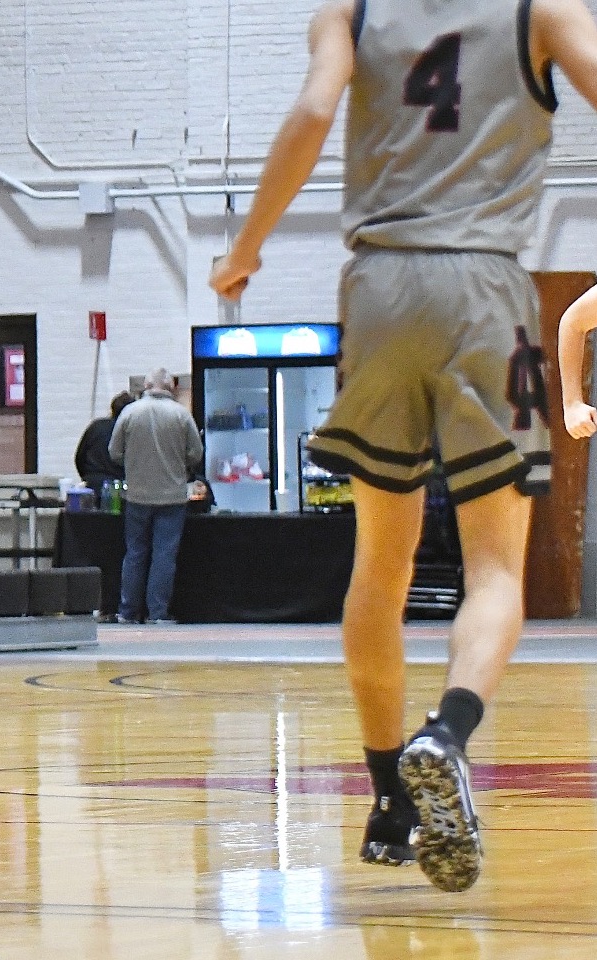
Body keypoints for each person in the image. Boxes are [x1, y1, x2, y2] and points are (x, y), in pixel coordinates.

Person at [209, 0, 597, 893]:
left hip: (378, 286)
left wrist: (245, 248)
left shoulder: (350, 10)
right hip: (485, 286)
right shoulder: (541, 8)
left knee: (378, 568)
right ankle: (447, 732)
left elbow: (313, 111)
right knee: (494, 569)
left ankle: (388, 793)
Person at [106, 368, 201, 626]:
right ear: (170, 388)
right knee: (164, 555)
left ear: (146, 386)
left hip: (137, 495)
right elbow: (196, 453)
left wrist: (133, 463)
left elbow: (114, 452)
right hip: (172, 497)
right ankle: (157, 612)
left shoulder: (129, 413)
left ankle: (128, 611)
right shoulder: (181, 414)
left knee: (135, 553)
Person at [75, 391, 133, 492]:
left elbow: (80, 456)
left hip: (92, 482)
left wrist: (86, 477)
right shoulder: (130, 431)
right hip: (119, 485)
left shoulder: (96, 426)